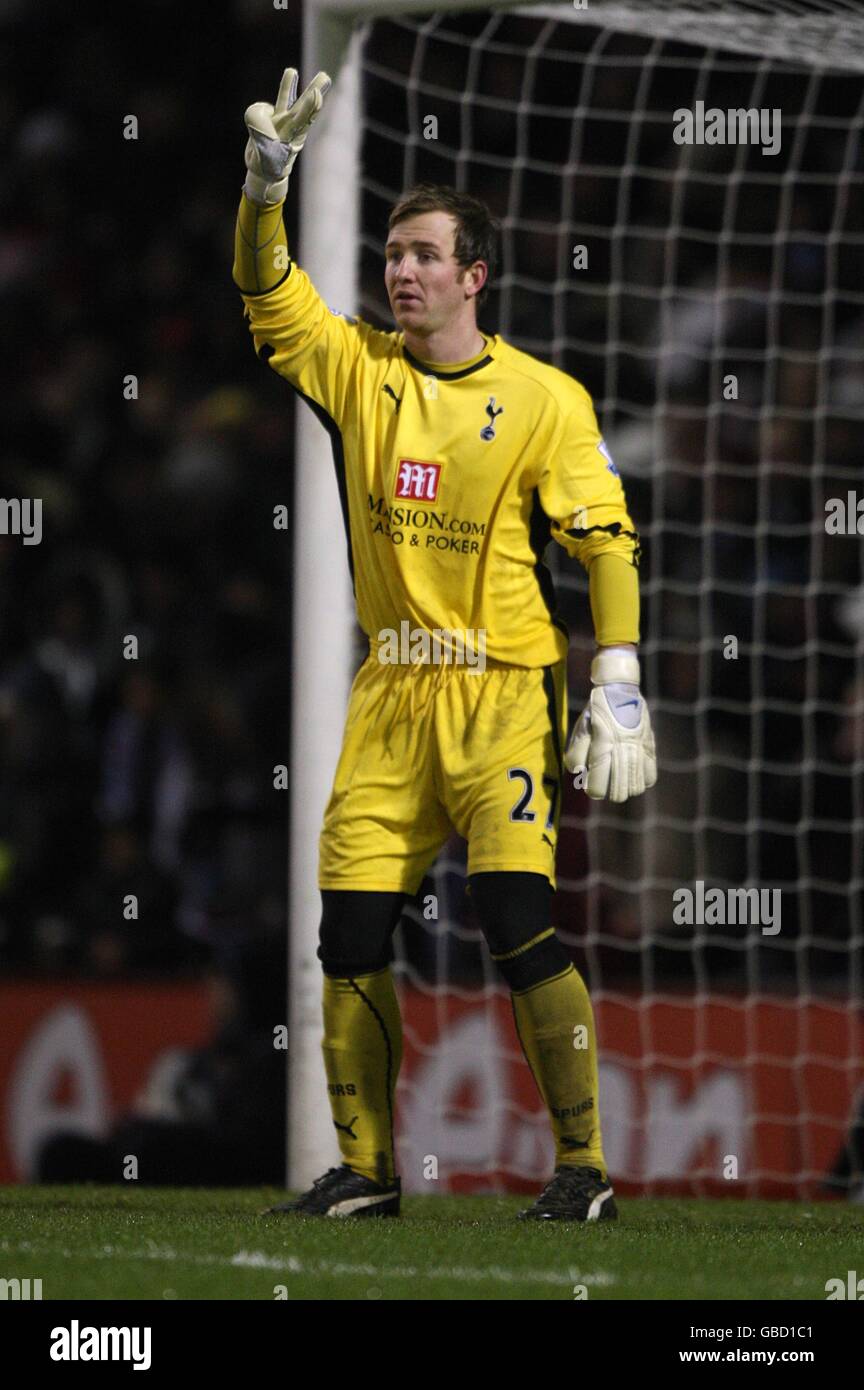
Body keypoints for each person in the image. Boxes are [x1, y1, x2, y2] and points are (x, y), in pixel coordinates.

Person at [232, 69, 656, 1221]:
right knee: (350, 929)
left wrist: (616, 673)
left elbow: (607, 543)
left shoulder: (543, 400)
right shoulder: (359, 373)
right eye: (390, 253)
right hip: (391, 697)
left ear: (475, 274)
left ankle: (583, 1168)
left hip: (505, 691)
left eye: (424, 253)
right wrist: (266, 189)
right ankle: (367, 1173)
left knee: (517, 923)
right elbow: (269, 301)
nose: (400, 270)